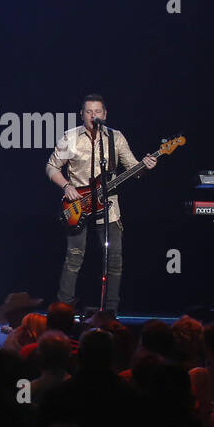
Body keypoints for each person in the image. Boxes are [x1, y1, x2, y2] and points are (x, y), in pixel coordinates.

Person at [46, 94, 158, 313]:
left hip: (109, 208)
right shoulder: (70, 137)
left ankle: (109, 312)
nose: (93, 115)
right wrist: (67, 186)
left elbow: (134, 169)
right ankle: (63, 311)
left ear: (105, 115)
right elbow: (52, 167)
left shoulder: (115, 138)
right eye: (89, 112)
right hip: (78, 205)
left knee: (114, 261)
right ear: (82, 115)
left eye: (97, 111)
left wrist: (145, 166)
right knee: (73, 259)